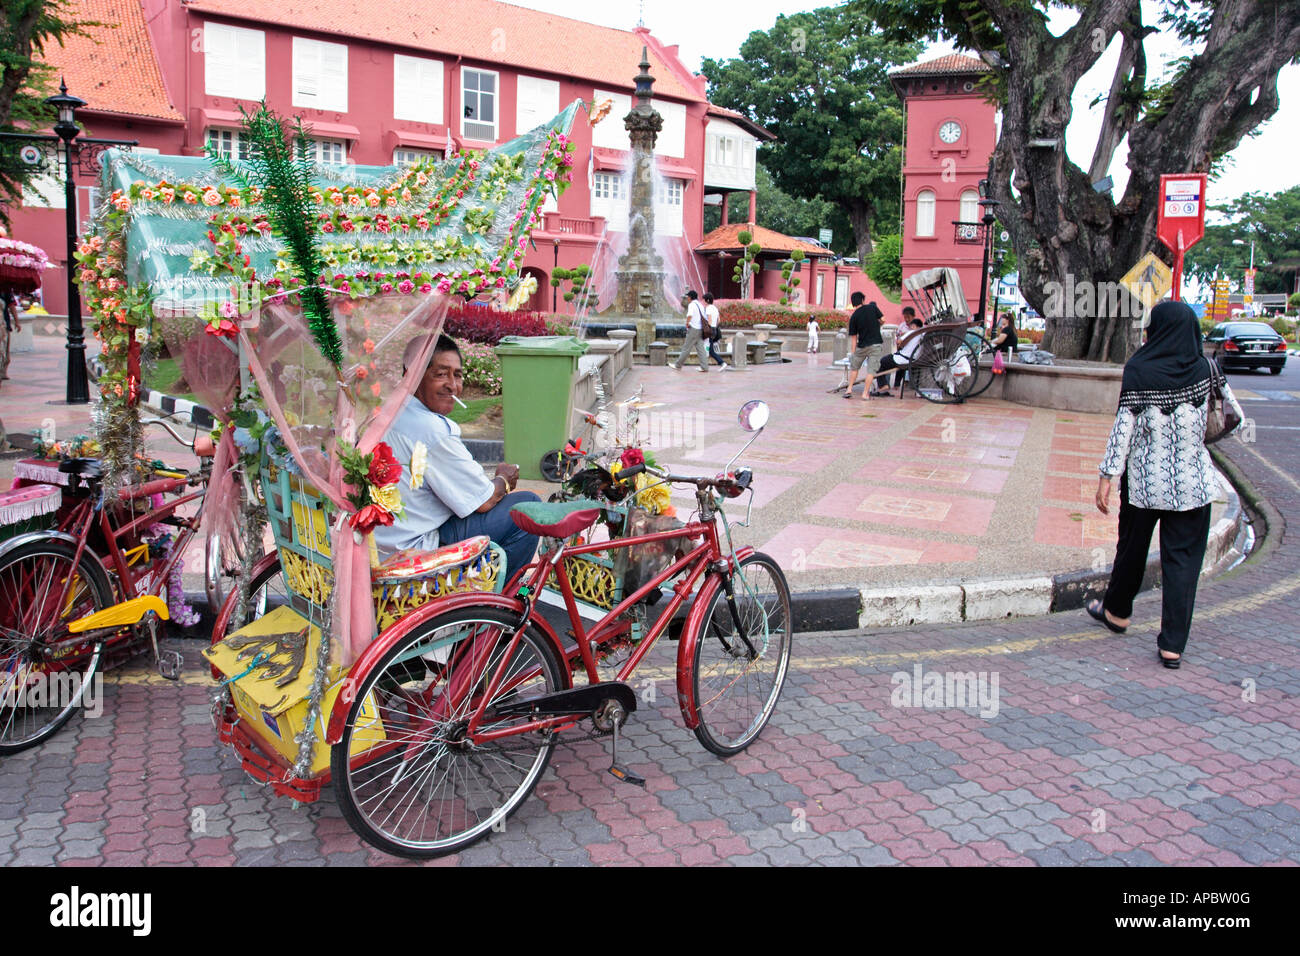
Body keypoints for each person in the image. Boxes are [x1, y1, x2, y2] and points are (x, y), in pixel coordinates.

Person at [1088, 301, 1244, 669]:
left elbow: (1122, 429)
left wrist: (1106, 476)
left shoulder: (1139, 369)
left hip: (1144, 483)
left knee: (1131, 550)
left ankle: (1117, 613)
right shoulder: (1207, 369)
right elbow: (1233, 413)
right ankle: (1172, 645)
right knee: (1182, 564)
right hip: (1193, 484)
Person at [372, 334, 542, 575]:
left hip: (384, 542)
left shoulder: (388, 410)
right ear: (415, 376)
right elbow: (483, 500)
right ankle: (498, 603)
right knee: (528, 507)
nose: (452, 385)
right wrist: (503, 479)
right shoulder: (431, 430)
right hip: (414, 546)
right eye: (440, 374)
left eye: (458, 375)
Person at [842, 291, 884, 400]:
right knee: (871, 371)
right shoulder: (872, 308)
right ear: (862, 300)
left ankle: (849, 389)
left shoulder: (854, 317)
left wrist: (852, 352)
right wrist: (878, 324)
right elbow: (883, 320)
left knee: (854, 368)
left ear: (853, 303)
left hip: (862, 346)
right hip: (875, 344)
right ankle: (865, 393)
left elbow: (854, 337)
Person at [869, 317, 925, 397]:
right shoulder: (922, 334)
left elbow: (898, 341)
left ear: (914, 326)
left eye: (911, 326)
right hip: (911, 359)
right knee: (887, 362)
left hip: (902, 358)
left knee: (880, 362)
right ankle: (894, 384)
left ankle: (883, 385)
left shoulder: (912, 332)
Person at [670, 290, 709, 372]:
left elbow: (689, 315)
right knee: (700, 348)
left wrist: (687, 323)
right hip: (700, 329)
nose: (687, 298)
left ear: (690, 297)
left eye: (688, 296)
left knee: (686, 348)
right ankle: (704, 366)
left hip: (693, 328)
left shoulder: (691, 305)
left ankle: (678, 365)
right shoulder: (700, 305)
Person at [702, 292, 730, 370]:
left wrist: (706, 330)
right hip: (714, 330)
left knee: (709, 350)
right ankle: (704, 366)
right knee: (708, 349)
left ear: (707, 300)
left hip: (709, 330)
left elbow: (709, 320)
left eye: (703, 300)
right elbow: (719, 320)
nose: (702, 301)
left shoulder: (708, 308)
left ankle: (722, 363)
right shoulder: (715, 308)